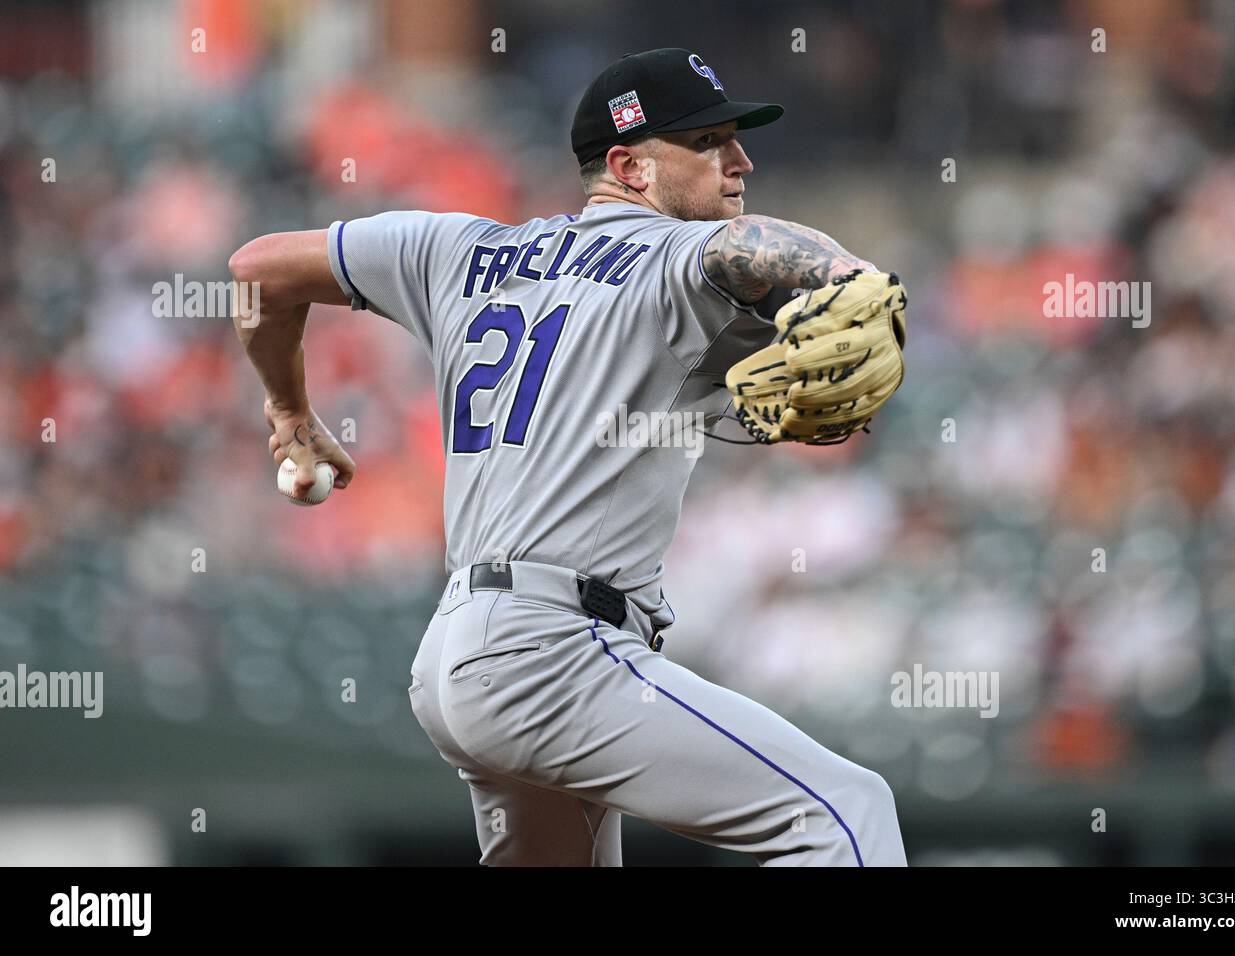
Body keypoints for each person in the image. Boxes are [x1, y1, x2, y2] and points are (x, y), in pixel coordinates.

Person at [229, 47, 907, 866]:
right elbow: (747, 247)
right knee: (843, 811)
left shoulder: (456, 251)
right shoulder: (670, 259)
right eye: (708, 141)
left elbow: (257, 270)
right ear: (628, 166)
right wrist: (844, 274)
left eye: (735, 138)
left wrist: (290, 410)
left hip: (457, 658)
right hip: (553, 652)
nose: (739, 160)